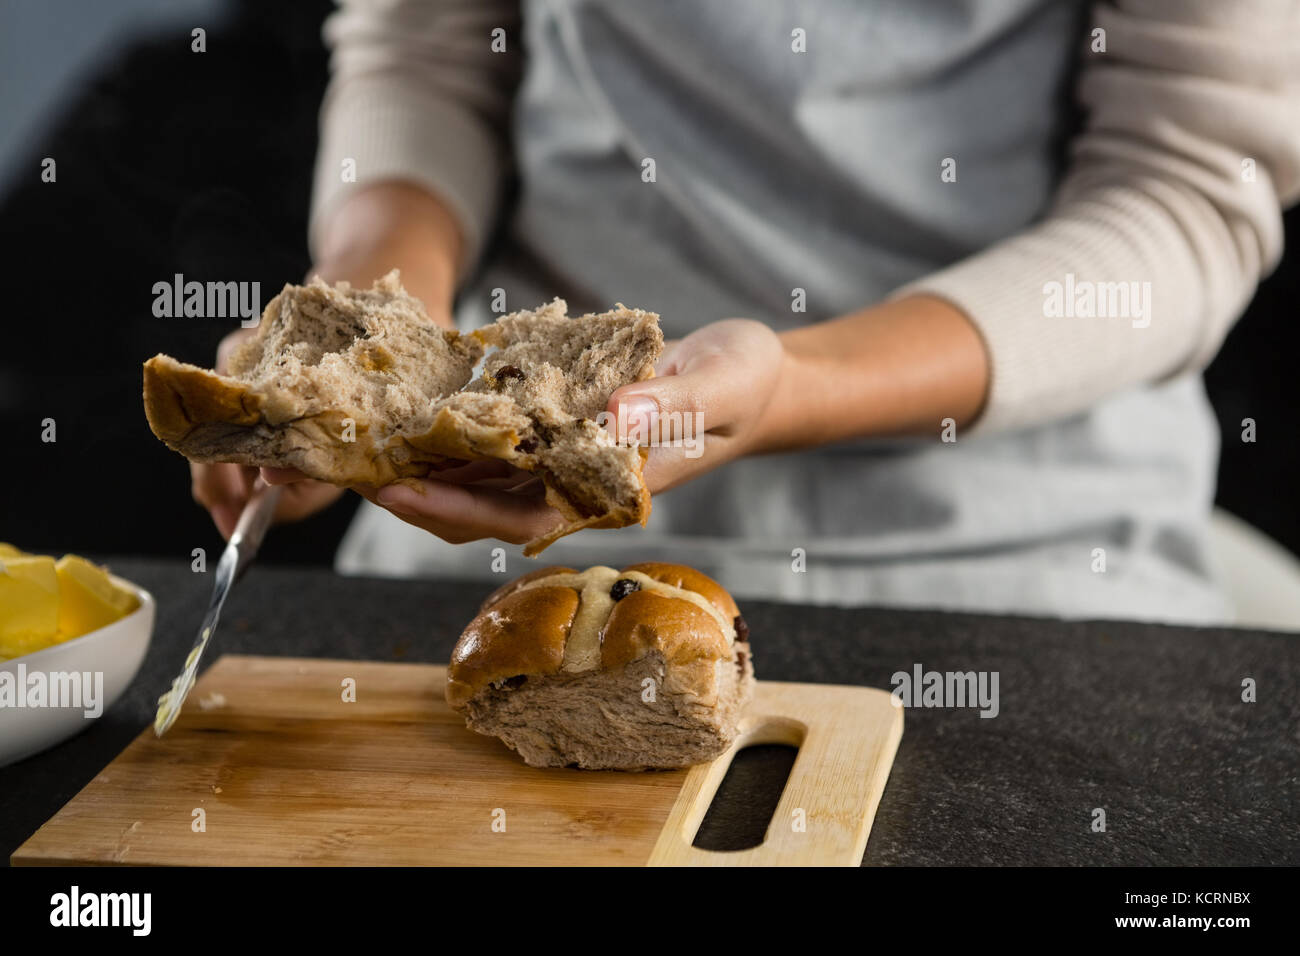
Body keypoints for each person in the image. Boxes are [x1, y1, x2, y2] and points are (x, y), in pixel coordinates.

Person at [192, 0, 1300, 623]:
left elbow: (1185, 184)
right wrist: (364, 336)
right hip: (490, 521)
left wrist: (793, 391)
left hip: (1020, 543)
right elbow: (428, 55)